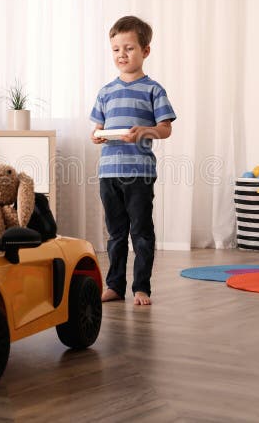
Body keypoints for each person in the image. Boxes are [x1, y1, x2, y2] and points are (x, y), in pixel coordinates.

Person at [89, 15, 176, 306]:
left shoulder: (154, 90)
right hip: (109, 172)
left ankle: (142, 288)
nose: (122, 55)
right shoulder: (106, 92)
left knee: (140, 232)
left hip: (139, 173)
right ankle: (114, 285)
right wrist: (97, 136)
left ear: (145, 51)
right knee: (115, 234)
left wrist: (145, 131)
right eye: (116, 49)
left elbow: (165, 129)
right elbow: (96, 130)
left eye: (129, 48)